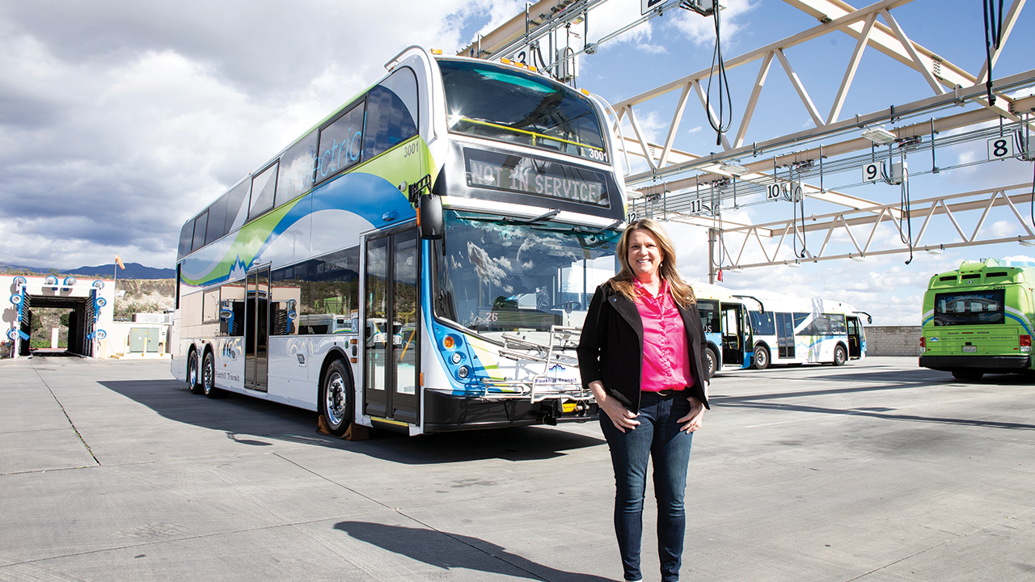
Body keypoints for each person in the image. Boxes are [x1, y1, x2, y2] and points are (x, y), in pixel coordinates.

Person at [577, 218, 710, 582]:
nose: (642, 252)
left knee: (673, 500)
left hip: (679, 408)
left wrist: (701, 397)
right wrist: (605, 401)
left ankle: (671, 577)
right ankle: (633, 577)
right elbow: (588, 350)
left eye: (649, 245)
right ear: (626, 253)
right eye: (635, 246)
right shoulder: (611, 293)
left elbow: (697, 348)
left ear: (663, 250)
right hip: (631, 410)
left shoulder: (684, 294)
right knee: (632, 495)